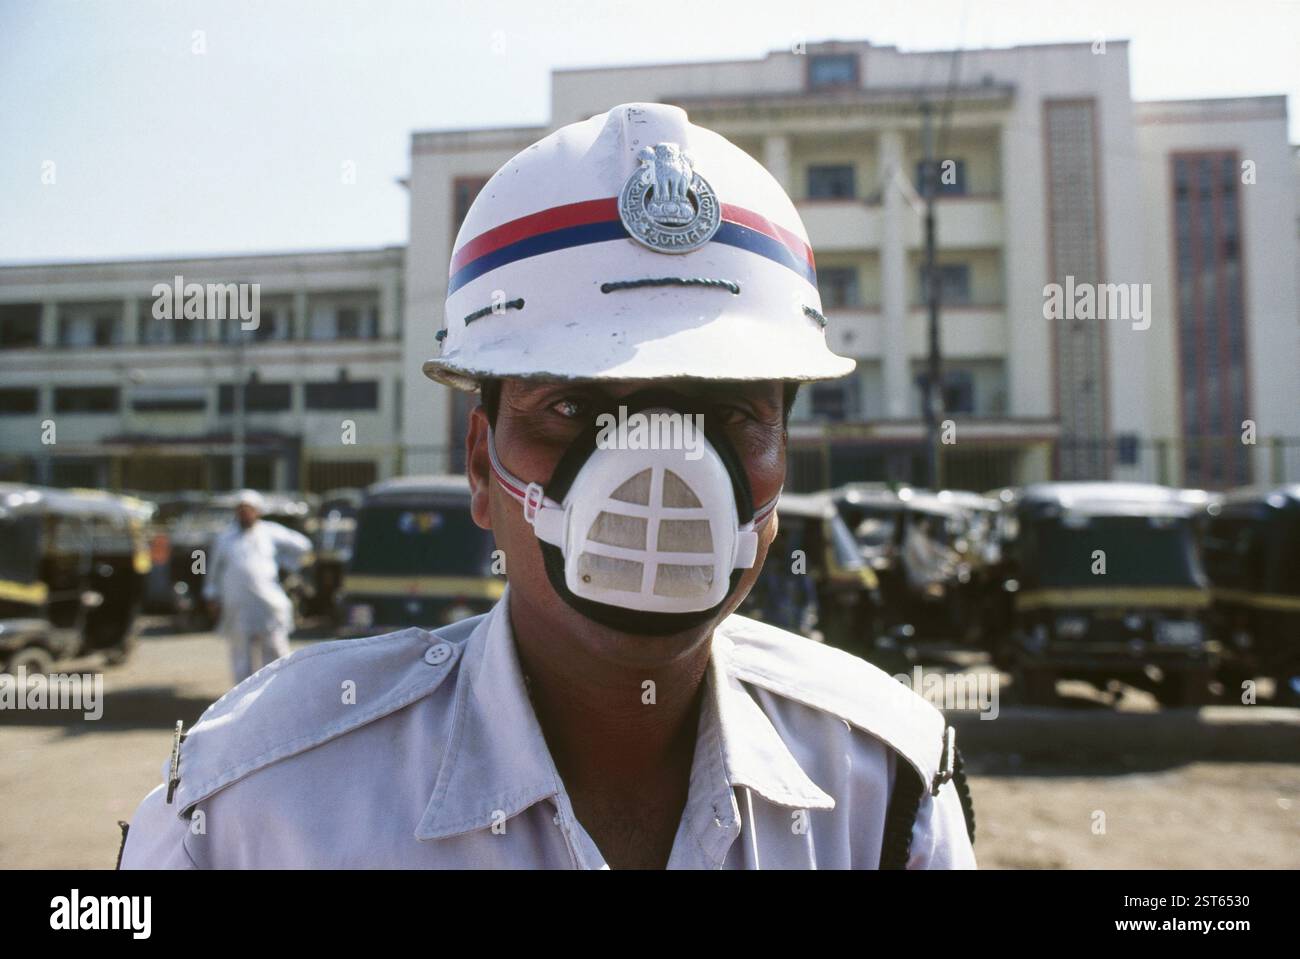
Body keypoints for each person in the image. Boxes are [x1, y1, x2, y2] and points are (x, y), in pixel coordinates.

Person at [119, 102, 976, 869]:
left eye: (724, 411)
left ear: (783, 455)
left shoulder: (886, 788)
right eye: (572, 405)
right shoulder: (254, 807)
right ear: (480, 465)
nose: (659, 474)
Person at [203, 489, 312, 684]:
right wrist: (211, 595)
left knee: (276, 652)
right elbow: (213, 571)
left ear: (258, 511)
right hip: (237, 605)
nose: (245, 513)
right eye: (241, 509)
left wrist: (287, 565)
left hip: (267, 604)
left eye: (249, 509)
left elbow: (303, 546)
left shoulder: (270, 531)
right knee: (240, 657)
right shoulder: (225, 538)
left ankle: (279, 694)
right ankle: (242, 704)